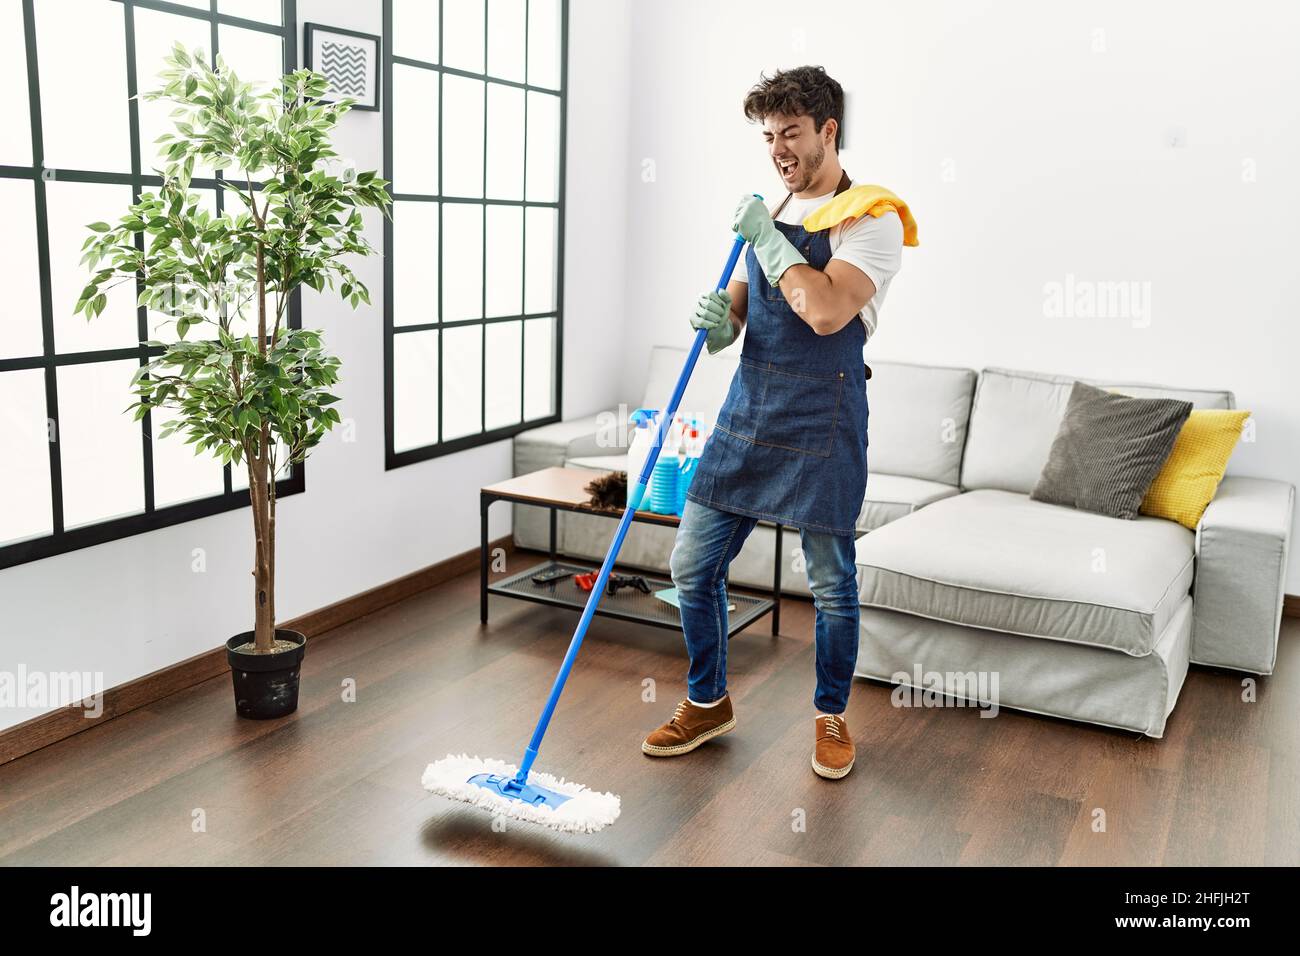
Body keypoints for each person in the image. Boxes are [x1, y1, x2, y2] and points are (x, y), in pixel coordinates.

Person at [642, 65, 905, 780]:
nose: (779, 149)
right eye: (768, 135)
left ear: (829, 130)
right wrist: (718, 323)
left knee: (829, 583)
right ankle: (706, 701)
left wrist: (766, 237)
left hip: (826, 414)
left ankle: (830, 716)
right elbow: (740, 309)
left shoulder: (870, 219)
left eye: (791, 132)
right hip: (751, 407)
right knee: (691, 566)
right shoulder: (771, 205)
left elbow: (823, 311)